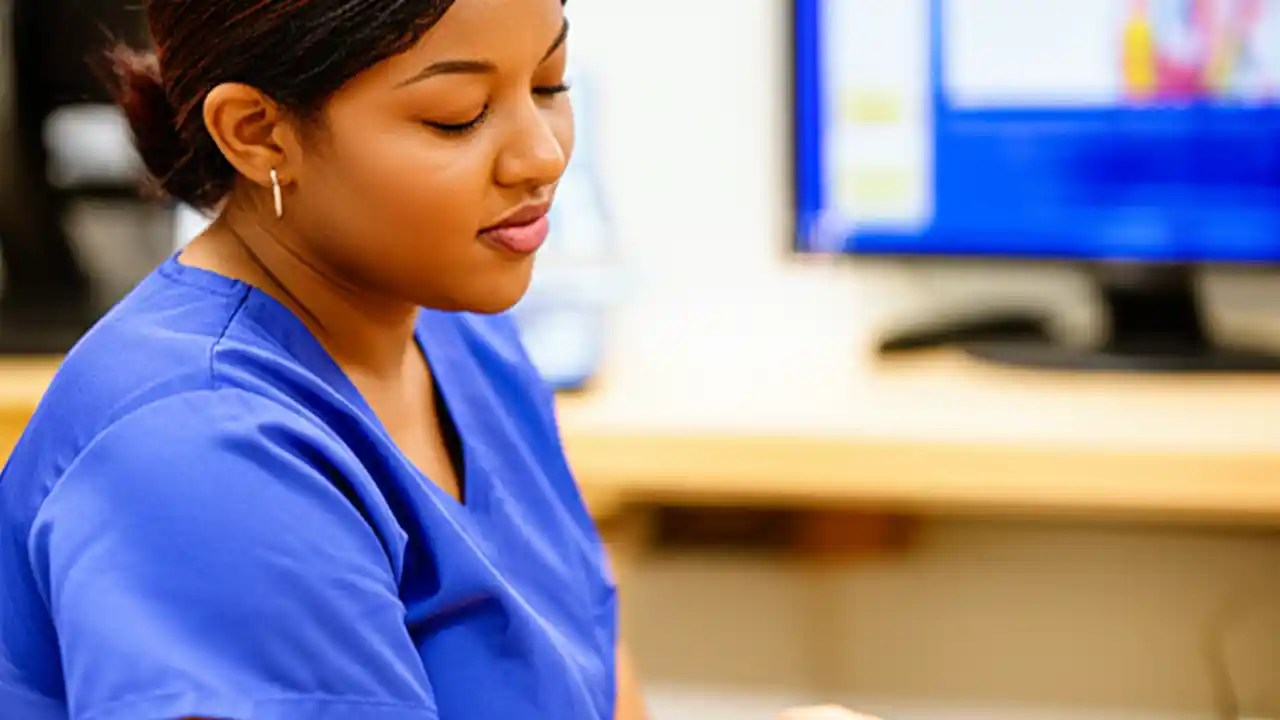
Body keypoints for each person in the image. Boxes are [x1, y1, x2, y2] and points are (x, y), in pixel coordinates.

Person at [0, 1, 882, 718]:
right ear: (259, 132)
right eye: (457, 116)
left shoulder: (462, 338)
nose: (542, 155)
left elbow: (605, 690)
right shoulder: (198, 450)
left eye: (550, 81)